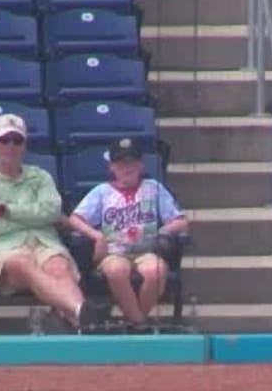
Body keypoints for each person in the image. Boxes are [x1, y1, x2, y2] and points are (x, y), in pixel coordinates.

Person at [0, 113, 96, 331]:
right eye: (5, 140)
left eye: (17, 140)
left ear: (24, 145)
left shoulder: (40, 176)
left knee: (58, 265)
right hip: (0, 249)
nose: (11, 146)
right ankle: (82, 313)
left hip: (44, 242)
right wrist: (34, 216)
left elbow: (52, 211)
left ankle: (80, 321)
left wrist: (3, 209)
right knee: (22, 262)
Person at [65, 137, 190, 329]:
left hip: (147, 250)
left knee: (155, 271)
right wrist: (96, 236)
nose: (127, 168)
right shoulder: (101, 192)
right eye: (121, 163)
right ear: (112, 167)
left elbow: (180, 221)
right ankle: (139, 324)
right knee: (117, 270)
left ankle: (134, 322)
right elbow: (74, 219)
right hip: (114, 252)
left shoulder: (154, 188)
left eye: (131, 162)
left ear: (140, 164)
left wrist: (163, 232)